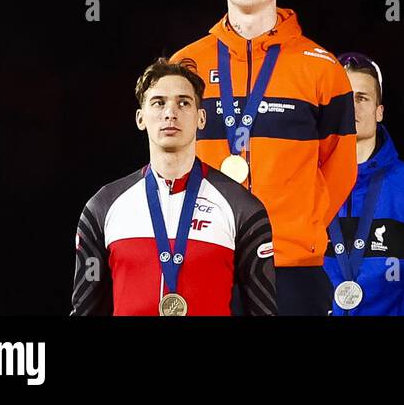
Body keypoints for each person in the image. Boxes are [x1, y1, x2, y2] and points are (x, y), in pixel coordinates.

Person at [171, 0, 356, 315]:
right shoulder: (186, 66)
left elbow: (340, 166)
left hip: (291, 264)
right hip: (204, 255)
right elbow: (167, 153)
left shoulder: (321, 69)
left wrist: (300, 228)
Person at [72, 58, 277, 316]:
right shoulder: (102, 206)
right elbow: (84, 311)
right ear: (140, 118)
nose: (170, 113)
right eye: (158, 103)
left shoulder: (243, 208)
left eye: (183, 102)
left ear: (201, 118)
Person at [324, 53, 404, 315]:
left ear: (379, 111)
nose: (353, 107)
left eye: (362, 98)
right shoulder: (306, 183)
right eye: (344, 98)